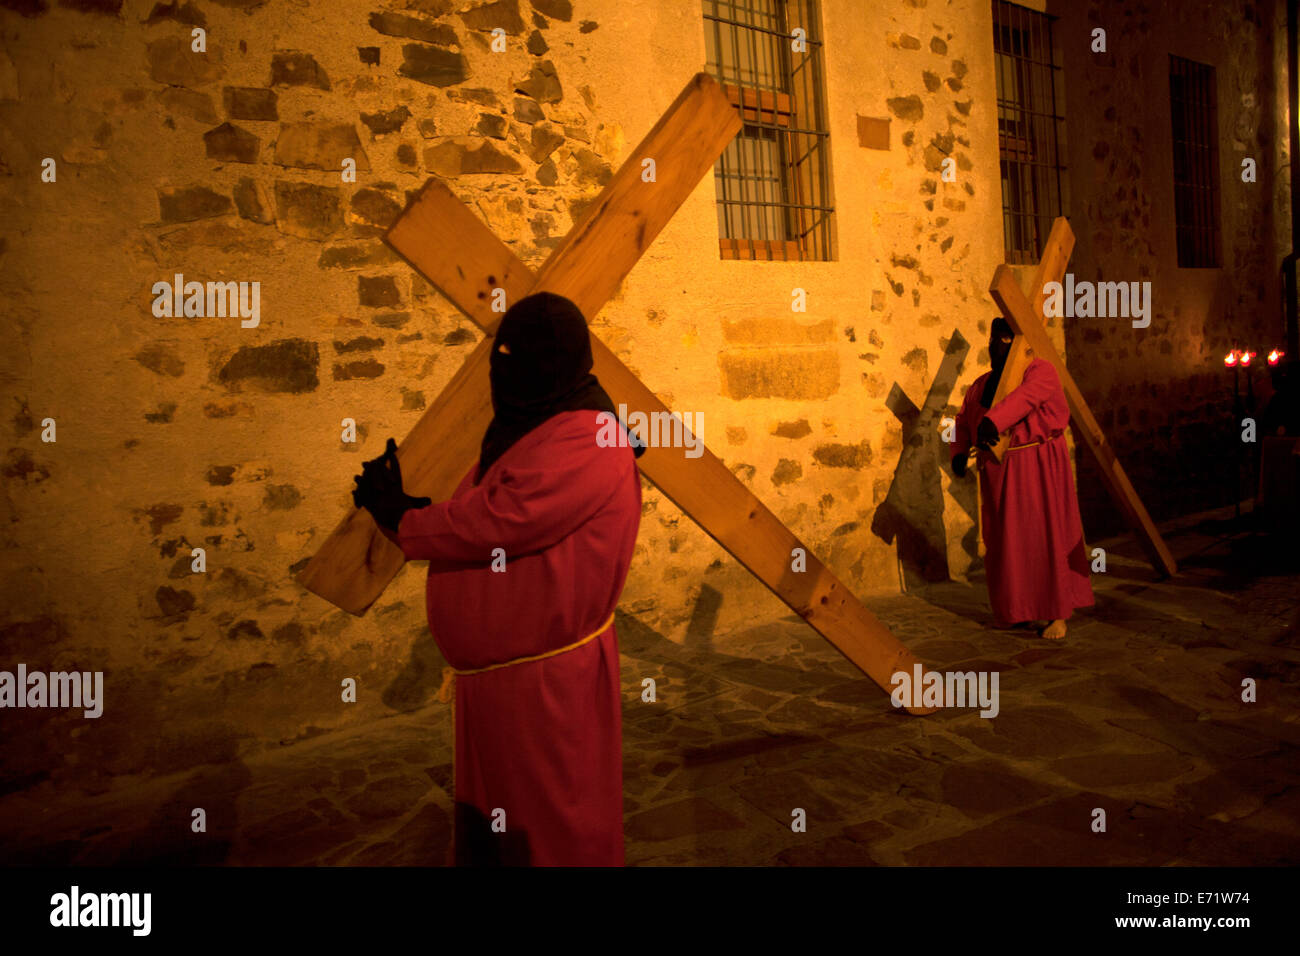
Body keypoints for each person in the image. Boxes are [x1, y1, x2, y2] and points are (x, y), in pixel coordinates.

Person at [351, 292, 643, 865]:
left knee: (549, 826)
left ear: (558, 362)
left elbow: (506, 519)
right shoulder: (536, 424)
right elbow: (493, 501)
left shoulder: (588, 438)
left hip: (545, 688)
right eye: (501, 354)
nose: (505, 368)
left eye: (521, 356)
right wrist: (415, 508)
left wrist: (402, 518)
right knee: (502, 825)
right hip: (508, 682)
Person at [951, 317, 1093, 640]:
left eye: (1004, 340)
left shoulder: (1040, 370)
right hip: (996, 473)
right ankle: (1015, 611)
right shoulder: (981, 384)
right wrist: (957, 452)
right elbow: (961, 420)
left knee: (1042, 538)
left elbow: (1027, 397)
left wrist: (995, 420)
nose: (995, 346)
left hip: (1035, 465)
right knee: (1006, 546)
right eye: (992, 340)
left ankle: (1056, 613)